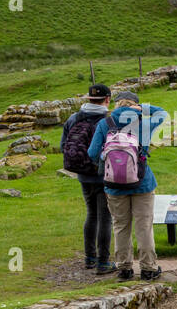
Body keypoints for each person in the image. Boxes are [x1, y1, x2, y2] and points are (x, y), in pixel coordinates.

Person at [88, 92, 168, 281]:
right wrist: (144, 109)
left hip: (114, 186)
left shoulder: (105, 124)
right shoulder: (143, 124)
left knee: (120, 226)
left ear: (116, 105)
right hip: (143, 183)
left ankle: (124, 268)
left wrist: (107, 164)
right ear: (135, 105)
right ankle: (148, 268)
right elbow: (163, 113)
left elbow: (92, 152)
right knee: (144, 226)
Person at [60, 83, 115, 274]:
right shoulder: (109, 121)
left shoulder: (74, 118)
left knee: (91, 214)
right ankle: (103, 262)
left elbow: (63, 146)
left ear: (89, 99)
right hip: (103, 175)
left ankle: (90, 258)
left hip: (82, 174)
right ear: (107, 99)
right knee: (105, 217)